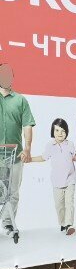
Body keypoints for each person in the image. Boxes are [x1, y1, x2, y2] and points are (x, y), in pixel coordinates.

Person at [30, 119, 76, 236]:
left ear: (67, 132)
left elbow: (75, 158)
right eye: (57, 130)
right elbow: (43, 157)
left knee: (69, 203)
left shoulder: (70, 144)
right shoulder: (50, 145)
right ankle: (63, 223)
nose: (60, 133)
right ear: (53, 131)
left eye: (63, 131)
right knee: (59, 206)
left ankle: (69, 225)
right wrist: (30, 159)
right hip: (57, 181)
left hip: (70, 179)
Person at [0, 64, 35, 243]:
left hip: (14, 156)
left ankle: (8, 223)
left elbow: (27, 124)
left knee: (12, 192)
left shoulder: (21, 100)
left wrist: (27, 148)